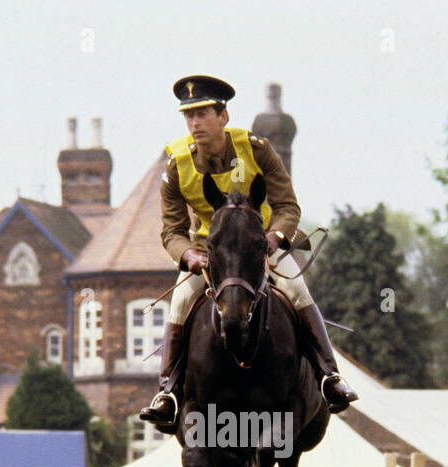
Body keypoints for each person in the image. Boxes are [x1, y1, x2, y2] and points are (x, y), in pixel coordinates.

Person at [139, 74, 358, 431]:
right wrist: (189, 257)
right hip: (208, 256)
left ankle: (330, 378)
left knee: (299, 292)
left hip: (259, 248)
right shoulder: (176, 165)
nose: (194, 123)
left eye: (202, 114)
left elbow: (288, 206)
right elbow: (171, 231)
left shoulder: (257, 149)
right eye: (188, 116)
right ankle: (167, 393)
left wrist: (274, 238)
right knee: (180, 303)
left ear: (223, 116)